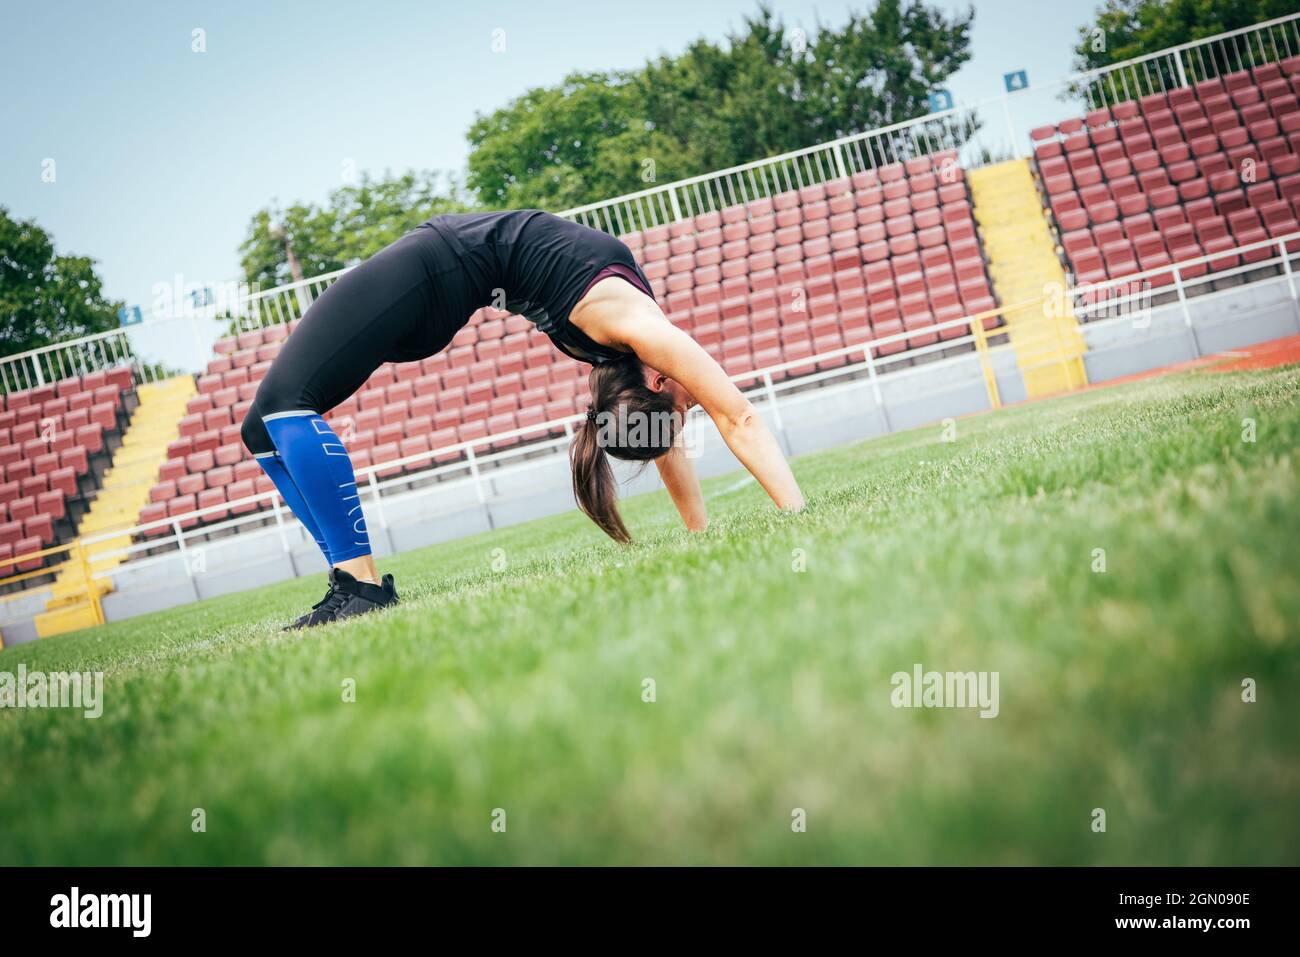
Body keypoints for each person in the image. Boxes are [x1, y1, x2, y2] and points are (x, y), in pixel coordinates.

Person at [241, 210, 805, 628]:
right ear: (657, 379)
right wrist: (782, 517)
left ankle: (360, 586)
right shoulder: (637, 333)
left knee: (289, 405)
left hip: (434, 275)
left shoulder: (625, 354)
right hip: (436, 277)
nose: (698, 399)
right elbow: (741, 417)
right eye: (688, 407)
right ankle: (349, 583)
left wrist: (725, 529)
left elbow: (673, 436)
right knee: (260, 428)